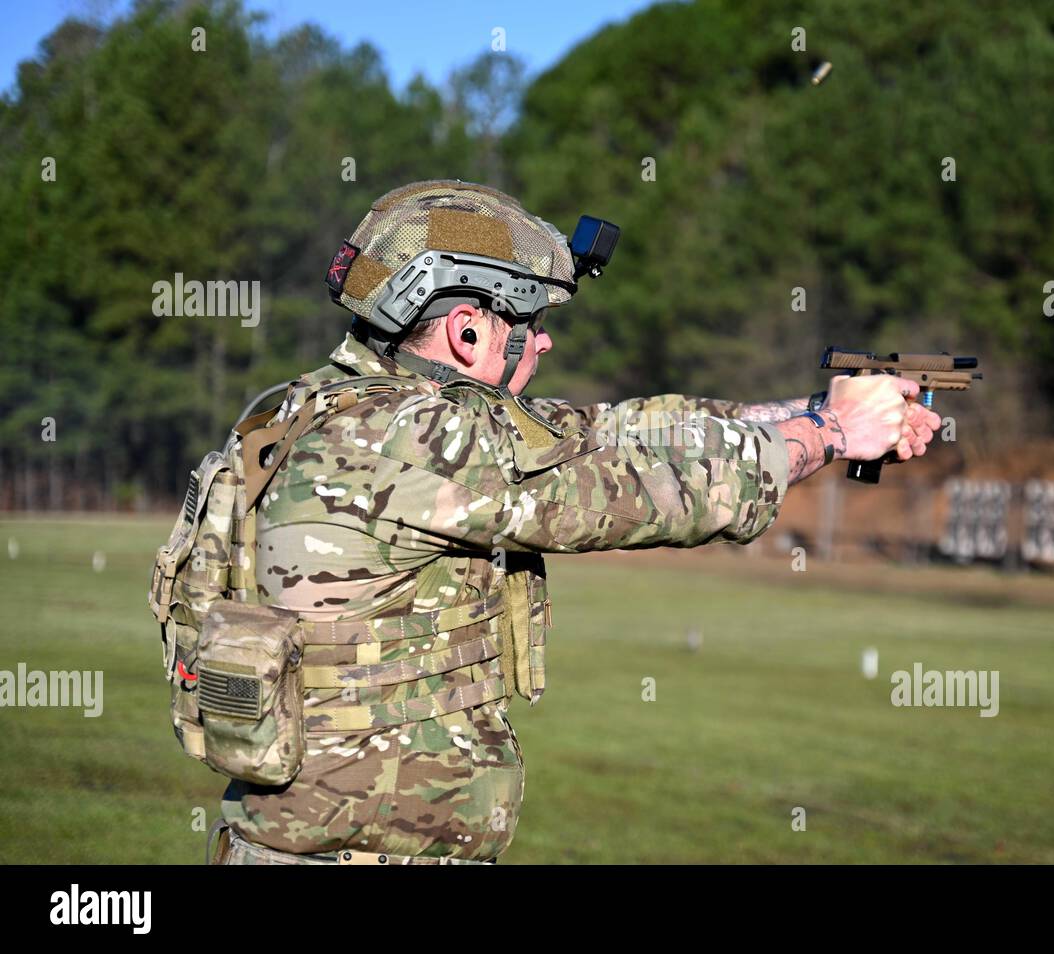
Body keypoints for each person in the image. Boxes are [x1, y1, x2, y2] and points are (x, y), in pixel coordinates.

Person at [216, 179, 939, 865]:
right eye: (528, 324)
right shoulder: (423, 442)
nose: (544, 344)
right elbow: (654, 488)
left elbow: (624, 432)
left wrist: (820, 410)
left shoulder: (321, 410)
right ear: (469, 332)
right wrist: (834, 437)